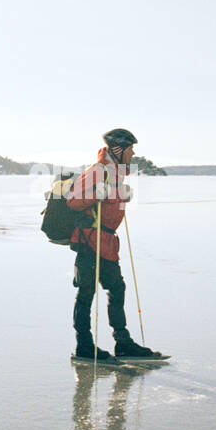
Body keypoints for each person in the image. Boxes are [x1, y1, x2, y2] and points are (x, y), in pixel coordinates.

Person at [66, 128, 162, 362]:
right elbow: (72, 202)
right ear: (118, 149)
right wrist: (101, 194)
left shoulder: (116, 173)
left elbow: (110, 203)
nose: (133, 153)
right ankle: (85, 347)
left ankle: (123, 342)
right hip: (89, 241)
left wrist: (119, 197)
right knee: (86, 292)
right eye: (130, 149)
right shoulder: (98, 171)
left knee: (116, 288)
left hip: (107, 242)